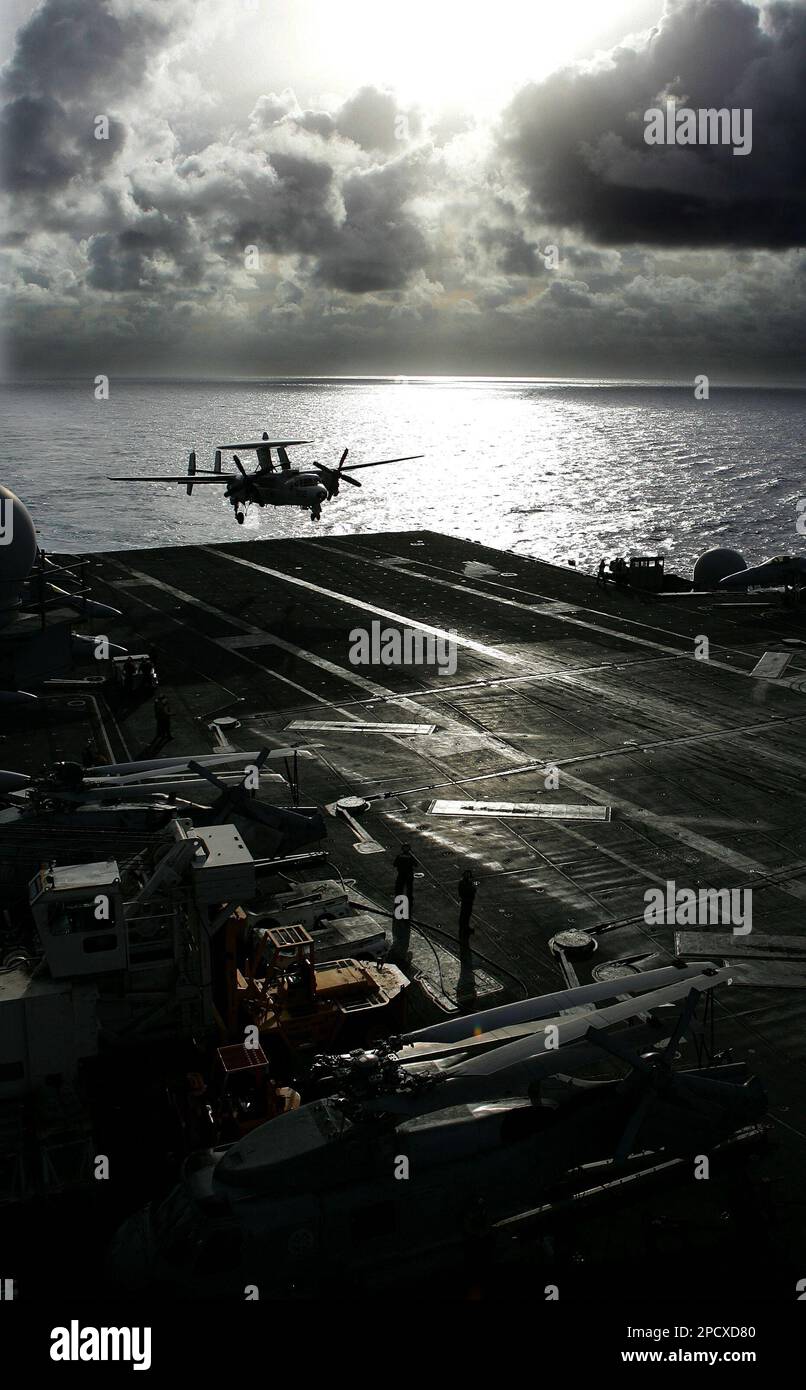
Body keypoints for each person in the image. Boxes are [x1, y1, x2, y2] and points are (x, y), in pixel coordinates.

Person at [393, 842, 418, 921]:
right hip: (409, 874)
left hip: (401, 874)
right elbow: (416, 864)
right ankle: (409, 898)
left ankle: (399, 898)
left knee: (399, 887)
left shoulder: (399, 856)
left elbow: (394, 864)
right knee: (409, 888)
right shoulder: (411, 857)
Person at [458, 869, 478, 945]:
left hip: (469, 900)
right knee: (464, 914)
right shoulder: (463, 883)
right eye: (467, 874)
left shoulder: (469, 882)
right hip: (466, 900)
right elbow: (463, 892)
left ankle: (466, 927)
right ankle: (463, 929)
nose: (468, 876)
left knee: (467, 914)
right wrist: (471, 890)